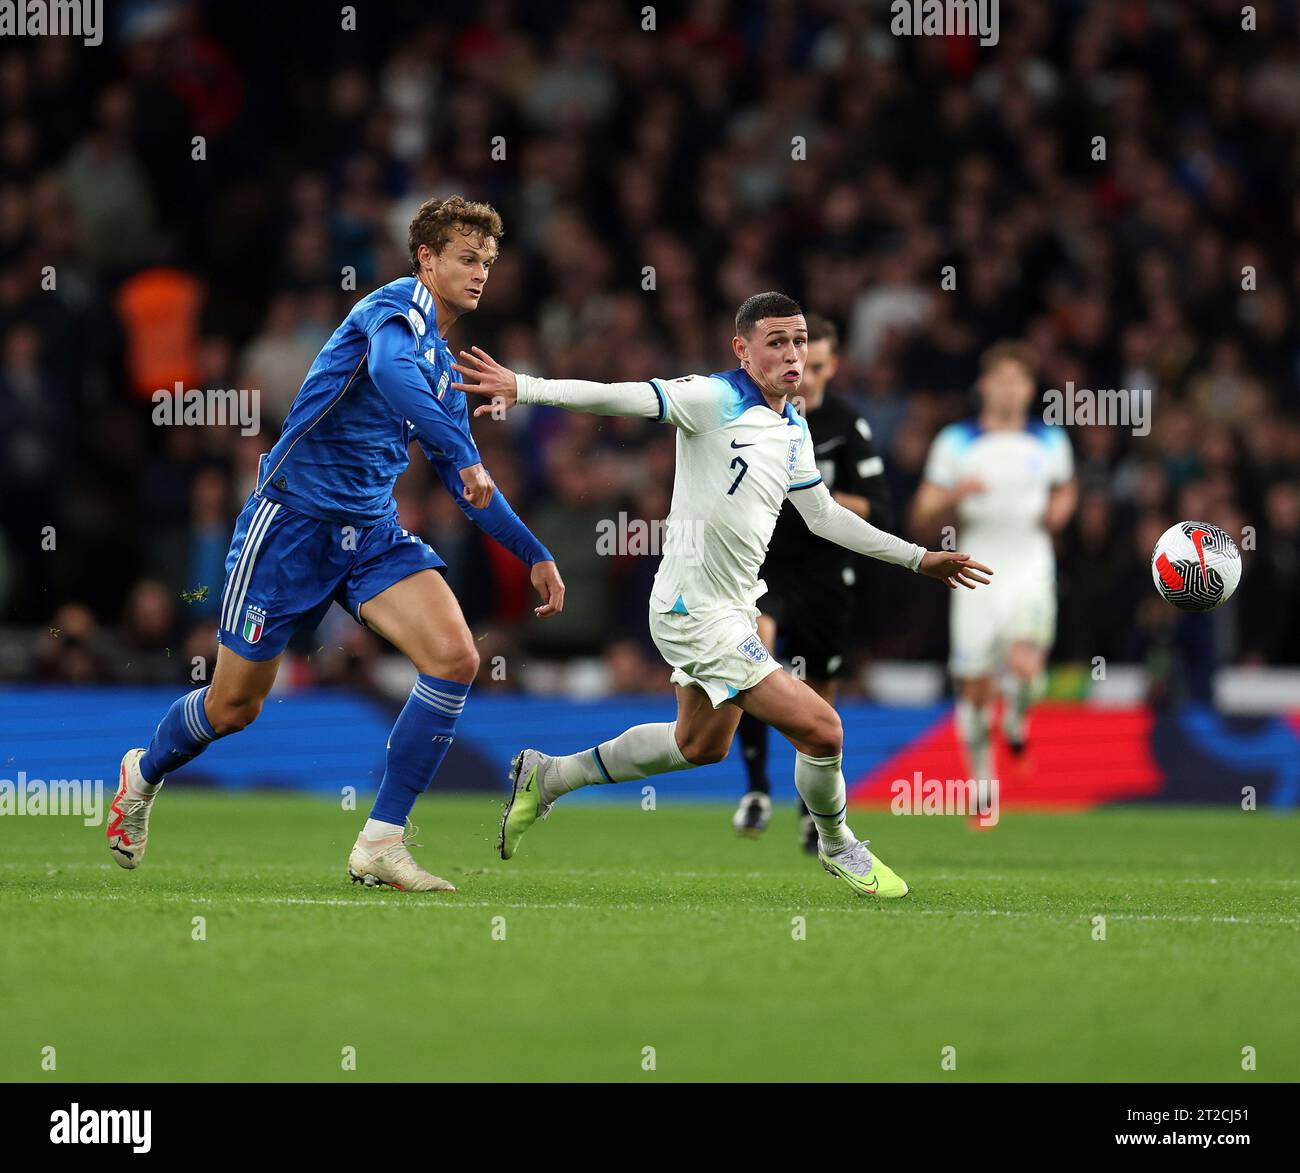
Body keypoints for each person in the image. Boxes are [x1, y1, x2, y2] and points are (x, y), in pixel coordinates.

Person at [453, 292, 992, 899]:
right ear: (743, 349)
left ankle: (548, 776)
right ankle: (839, 844)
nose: (793, 355)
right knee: (824, 729)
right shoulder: (712, 397)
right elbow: (623, 396)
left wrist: (918, 558)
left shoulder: (794, 426)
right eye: (777, 343)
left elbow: (825, 517)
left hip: (731, 604)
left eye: (799, 341)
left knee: (700, 745)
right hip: (694, 610)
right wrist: (524, 386)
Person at [107, 197, 565, 892]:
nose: (480, 274)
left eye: (489, 263)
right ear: (426, 258)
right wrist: (457, 452)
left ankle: (380, 841)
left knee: (455, 655)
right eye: (467, 258)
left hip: (370, 533)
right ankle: (141, 775)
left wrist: (533, 551)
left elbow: (470, 480)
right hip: (289, 526)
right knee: (235, 705)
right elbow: (387, 374)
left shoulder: (442, 366)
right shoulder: (390, 312)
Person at [731, 313, 893, 850]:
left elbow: (878, 507)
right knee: (755, 656)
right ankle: (756, 789)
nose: (808, 373)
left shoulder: (849, 425)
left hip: (826, 573)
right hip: (767, 566)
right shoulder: (761, 417)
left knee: (819, 695)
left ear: (833, 365)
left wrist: (810, 493)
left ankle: (809, 812)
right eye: (802, 360)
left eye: (819, 365)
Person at [911, 341, 1076, 821]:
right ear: (983, 385)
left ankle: (1020, 717)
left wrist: (1061, 509)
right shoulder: (956, 441)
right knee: (976, 688)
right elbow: (921, 513)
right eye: (999, 378)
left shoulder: (1049, 440)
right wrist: (953, 497)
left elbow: (1066, 487)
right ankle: (984, 790)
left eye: (1017, 379)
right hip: (975, 570)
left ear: (1028, 388)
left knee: (1025, 664)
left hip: (1030, 564)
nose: (1007, 388)